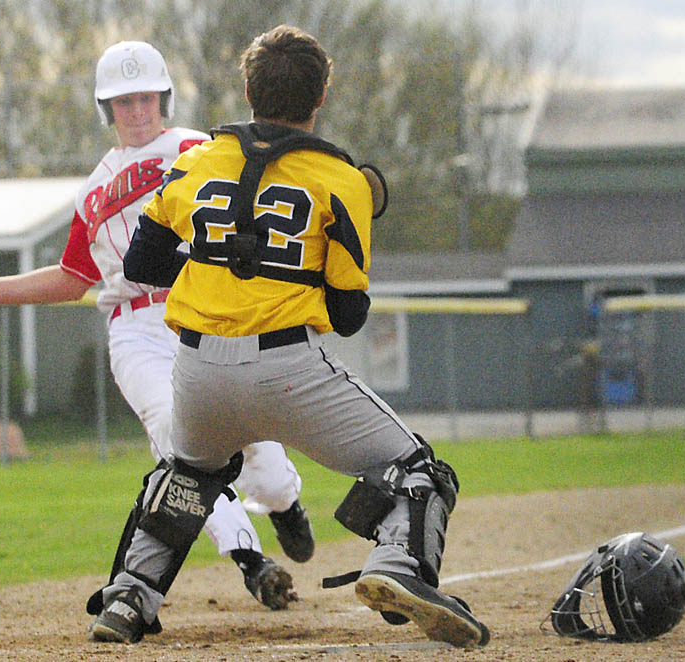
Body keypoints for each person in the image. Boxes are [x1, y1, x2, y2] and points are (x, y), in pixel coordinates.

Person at [100, 25, 490, 647]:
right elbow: (348, 314)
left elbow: (142, 267)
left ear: (248, 90)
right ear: (320, 97)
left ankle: (128, 597)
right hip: (286, 368)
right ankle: (398, 566)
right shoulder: (342, 180)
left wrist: (215, 265)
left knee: (190, 473)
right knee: (419, 471)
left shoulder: (194, 161)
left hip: (196, 372)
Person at [0, 40, 314, 622]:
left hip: (206, 312)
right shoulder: (94, 186)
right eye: (122, 101)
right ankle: (251, 563)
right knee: (179, 444)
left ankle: (283, 502)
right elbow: (73, 275)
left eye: (145, 97)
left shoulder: (199, 149)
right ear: (107, 109)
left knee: (266, 461)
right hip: (136, 331)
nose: (135, 110)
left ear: (164, 98)